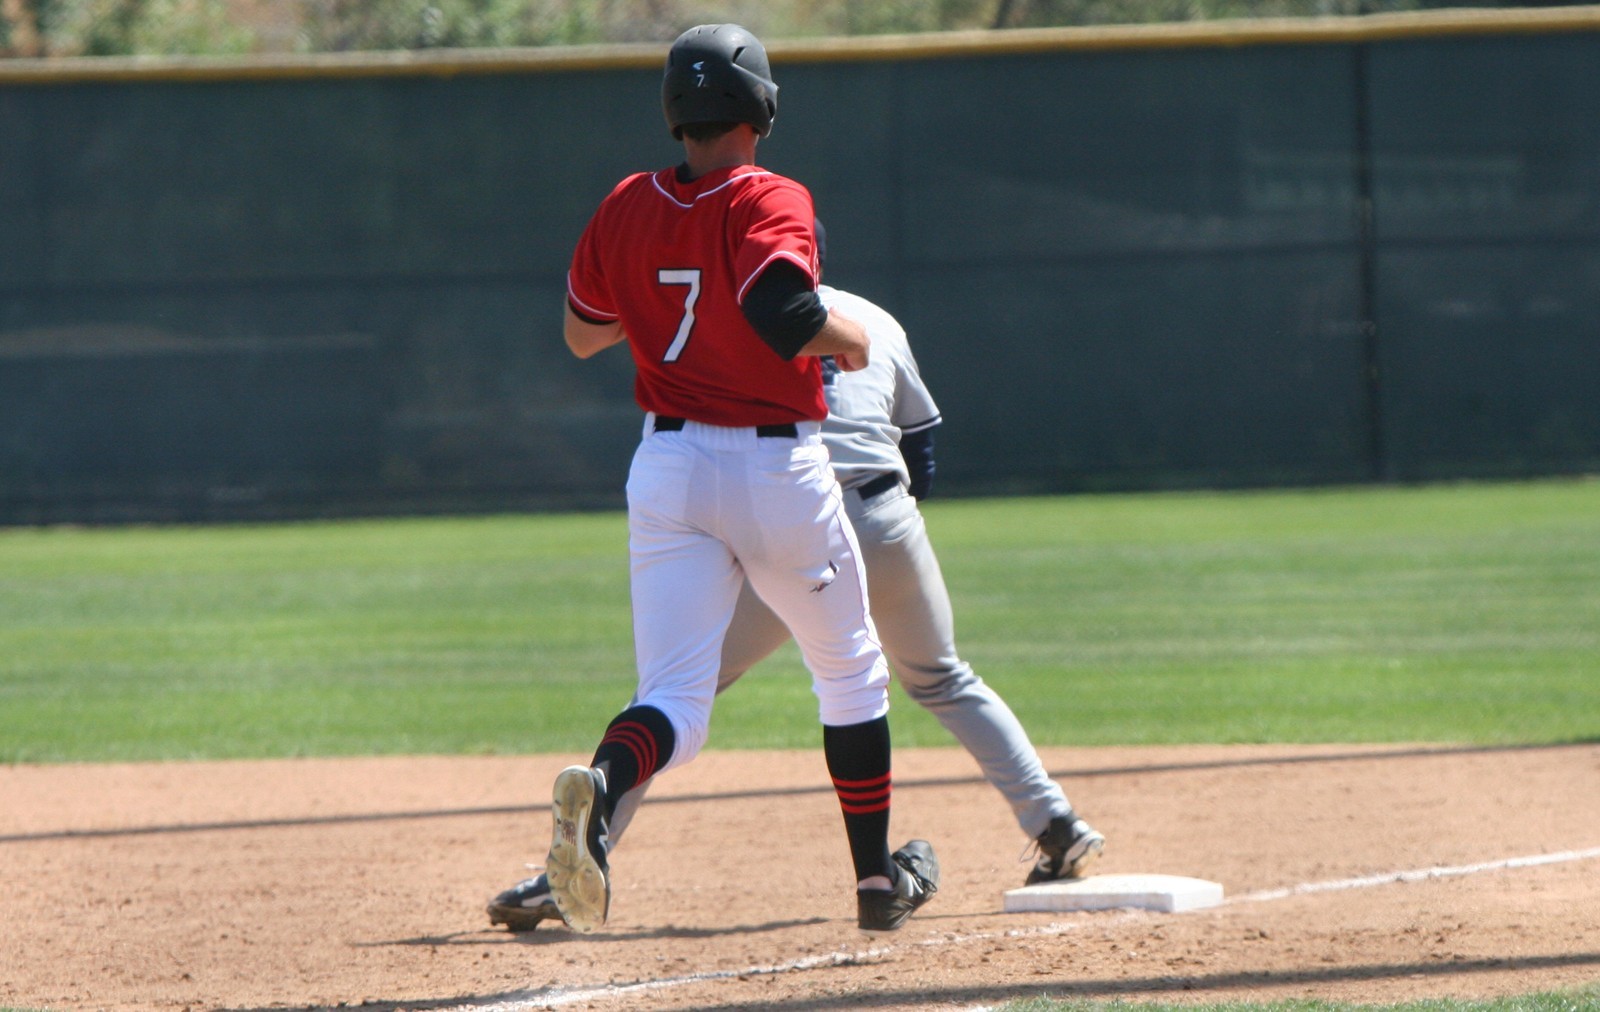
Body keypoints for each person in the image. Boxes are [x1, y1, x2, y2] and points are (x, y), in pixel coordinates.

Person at [490, 225, 1103, 933]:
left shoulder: (734, 317)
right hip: (886, 514)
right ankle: (1058, 825)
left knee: (673, 691)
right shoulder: (877, 320)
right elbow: (923, 458)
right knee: (941, 677)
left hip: (796, 516)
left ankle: (568, 873)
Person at [527, 23, 938, 936]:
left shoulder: (627, 202)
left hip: (668, 466)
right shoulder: (770, 193)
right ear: (760, 104)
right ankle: (876, 887)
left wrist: (673, 312)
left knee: (674, 695)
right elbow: (781, 309)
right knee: (853, 675)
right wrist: (852, 336)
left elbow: (582, 333)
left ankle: (601, 785)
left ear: (676, 112)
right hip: (773, 465)